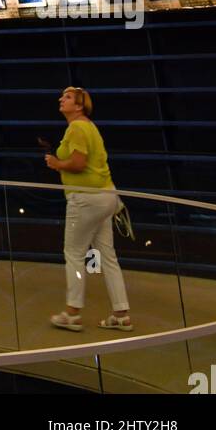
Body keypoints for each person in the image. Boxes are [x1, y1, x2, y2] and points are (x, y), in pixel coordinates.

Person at [45, 87, 132, 333]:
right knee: (108, 257)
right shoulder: (89, 126)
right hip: (107, 197)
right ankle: (121, 314)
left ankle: (72, 313)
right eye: (62, 95)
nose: (61, 99)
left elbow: (78, 163)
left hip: (86, 200)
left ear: (80, 105)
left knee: (73, 253)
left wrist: (55, 163)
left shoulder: (77, 128)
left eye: (68, 97)